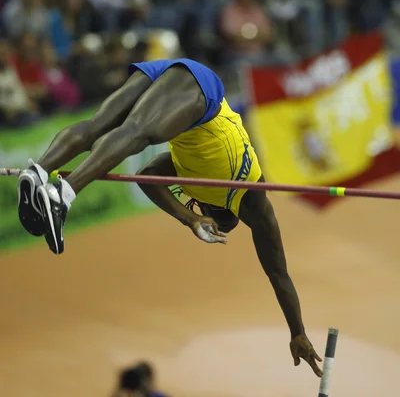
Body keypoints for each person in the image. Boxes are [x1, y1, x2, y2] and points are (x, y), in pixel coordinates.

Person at [16, 58, 322, 377]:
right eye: (204, 215)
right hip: (202, 91)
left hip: (174, 81)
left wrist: (188, 220)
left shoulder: (192, 180)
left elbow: (147, 175)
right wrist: (296, 330)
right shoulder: (254, 201)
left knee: (98, 127)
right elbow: (278, 274)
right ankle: (63, 195)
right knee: (136, 133)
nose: (201, 213)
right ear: (225, 214)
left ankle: (37, 172)